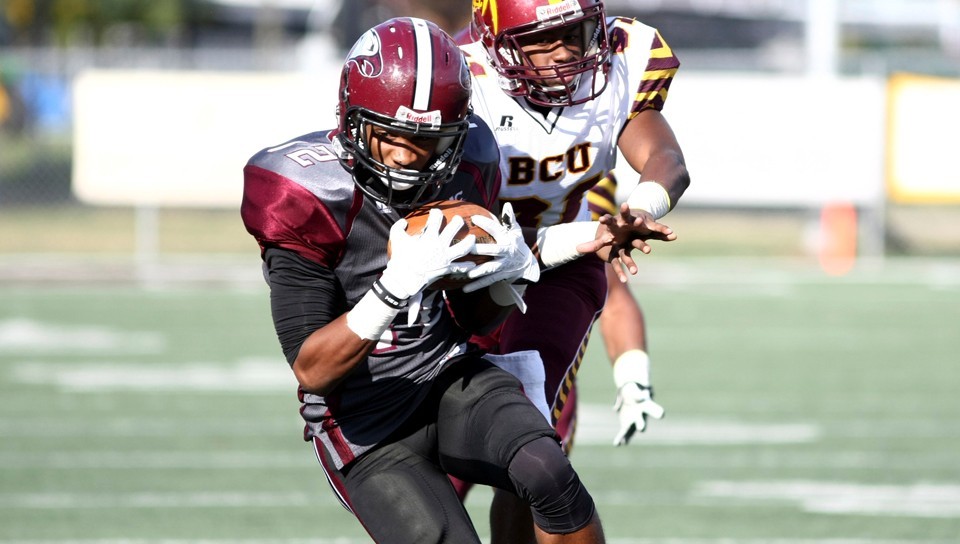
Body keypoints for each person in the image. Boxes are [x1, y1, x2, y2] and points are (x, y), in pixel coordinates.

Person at [241, 16, 670, 544]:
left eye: (424, 141)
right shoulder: (302, 194)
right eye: (388, 136)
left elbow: (475, 318)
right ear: (353, 122)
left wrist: (500, 273)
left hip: (449, 376)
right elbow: (313, 370)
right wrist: (394, 286)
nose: (403, 155)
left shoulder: (471, 161)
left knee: (548, 471)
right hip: (365, 424)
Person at [453, 0, 690, 541]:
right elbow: (457, 230)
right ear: (496, 38)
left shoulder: (621, 62)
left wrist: (642, 207)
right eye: (542, 39)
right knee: (437, 461)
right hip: (463, 269)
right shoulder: (464, 83)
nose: (564, 52)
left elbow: (667, 160)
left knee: (526, 442)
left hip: (559, 272)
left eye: (574, 33)